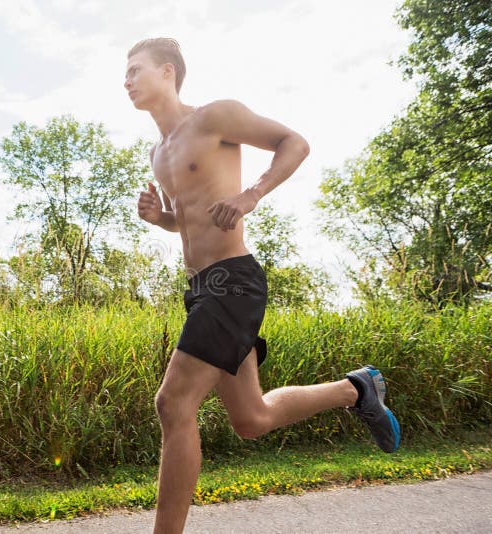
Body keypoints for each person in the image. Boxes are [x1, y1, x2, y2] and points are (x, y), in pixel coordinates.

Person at [125, 37, 401, 534]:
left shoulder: (214, 117)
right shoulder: (158, 153)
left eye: (134, 70)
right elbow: (189, 221)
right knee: (251, 419)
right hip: (201, 290)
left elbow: (295, 142)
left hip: (234, 282)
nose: (126, 81)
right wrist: (162, 218)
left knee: (172, 404)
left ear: (167, 72)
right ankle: (356, 389)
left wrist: (251, 194)